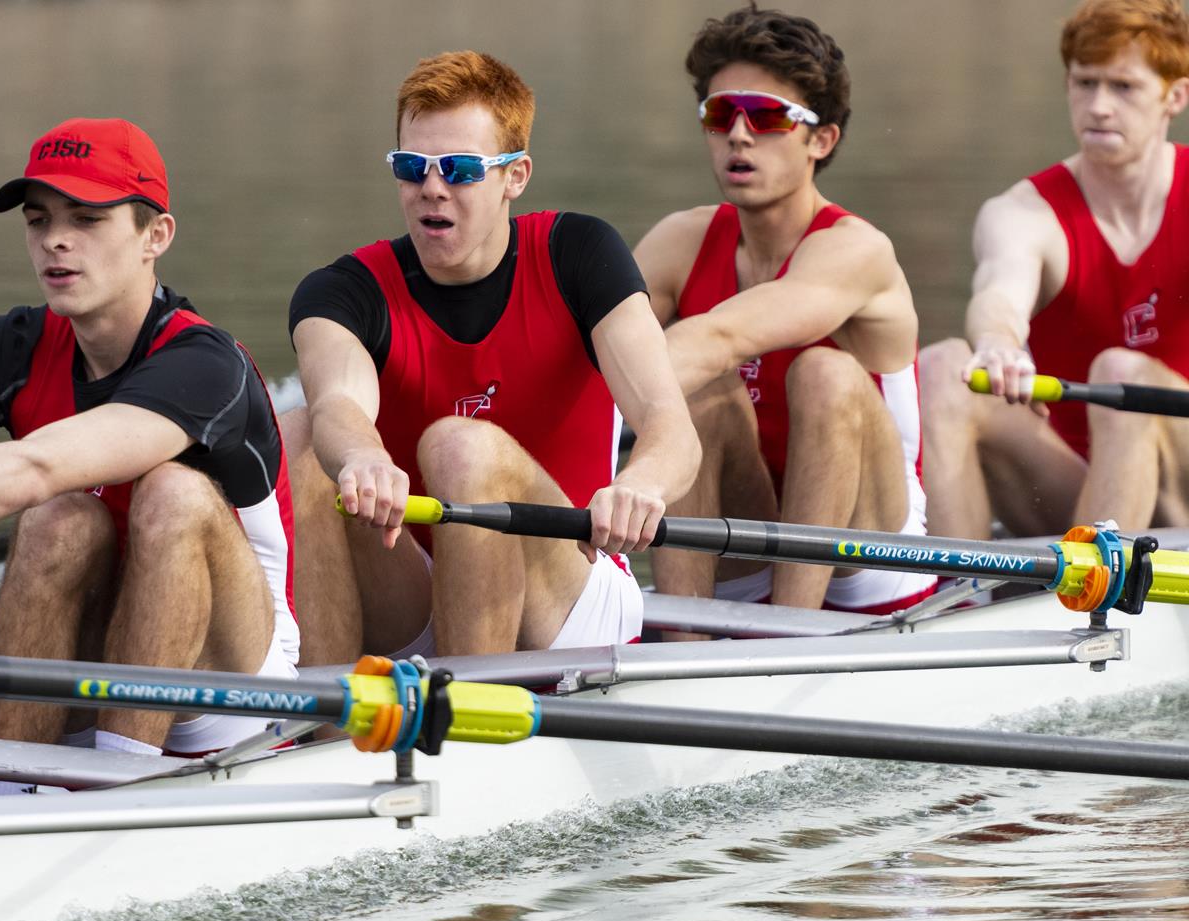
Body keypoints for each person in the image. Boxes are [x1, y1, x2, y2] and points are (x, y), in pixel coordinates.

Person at [0, 118, 297, 761]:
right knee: (59, 521)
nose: (56, 242)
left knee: (172, 492)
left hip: (232, 683)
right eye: (39, 219)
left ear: (155, 236)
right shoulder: (10, 344)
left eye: (87, 219)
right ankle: (4, 795)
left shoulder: (205, 363)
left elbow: (35, 466)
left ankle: (120, 778)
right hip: (103, 647)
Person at [284, 50, 699, 664]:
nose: (431, 188)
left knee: (461, 445)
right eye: (411, 166)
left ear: (515, 175)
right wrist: (363, 455)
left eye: (458, 169)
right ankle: (322, 732)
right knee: (299, 438)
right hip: (415, 588)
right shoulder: (342, 291)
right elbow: (338, 402)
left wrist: (640, 485)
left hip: (571, 596)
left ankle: (467, 718)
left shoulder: (581, 254)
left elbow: (670, 423)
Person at [634, 5, 934, 614]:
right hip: (745, 528)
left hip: (869, 553)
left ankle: (787, 634)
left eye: (768, 117)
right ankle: (681, 644)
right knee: (698, 394)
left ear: (821, 139)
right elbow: (584, 347)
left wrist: (610, 402)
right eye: (721, 115)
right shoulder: (679, 240)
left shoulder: (857, 249)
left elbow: (719, 336)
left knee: (823, 373)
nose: (739, 135)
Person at [921, 0, 1189, 538]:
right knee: (942, 367)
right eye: (1084, 83)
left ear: (1174, 96)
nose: (1099, 107)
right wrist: (999, 343)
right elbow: (1000, 293)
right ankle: (959, 595)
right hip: (1068, 482)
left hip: (1179, 475)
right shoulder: (1023, 211)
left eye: (1123, 87)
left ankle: (1101, 596)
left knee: (1121, 369)